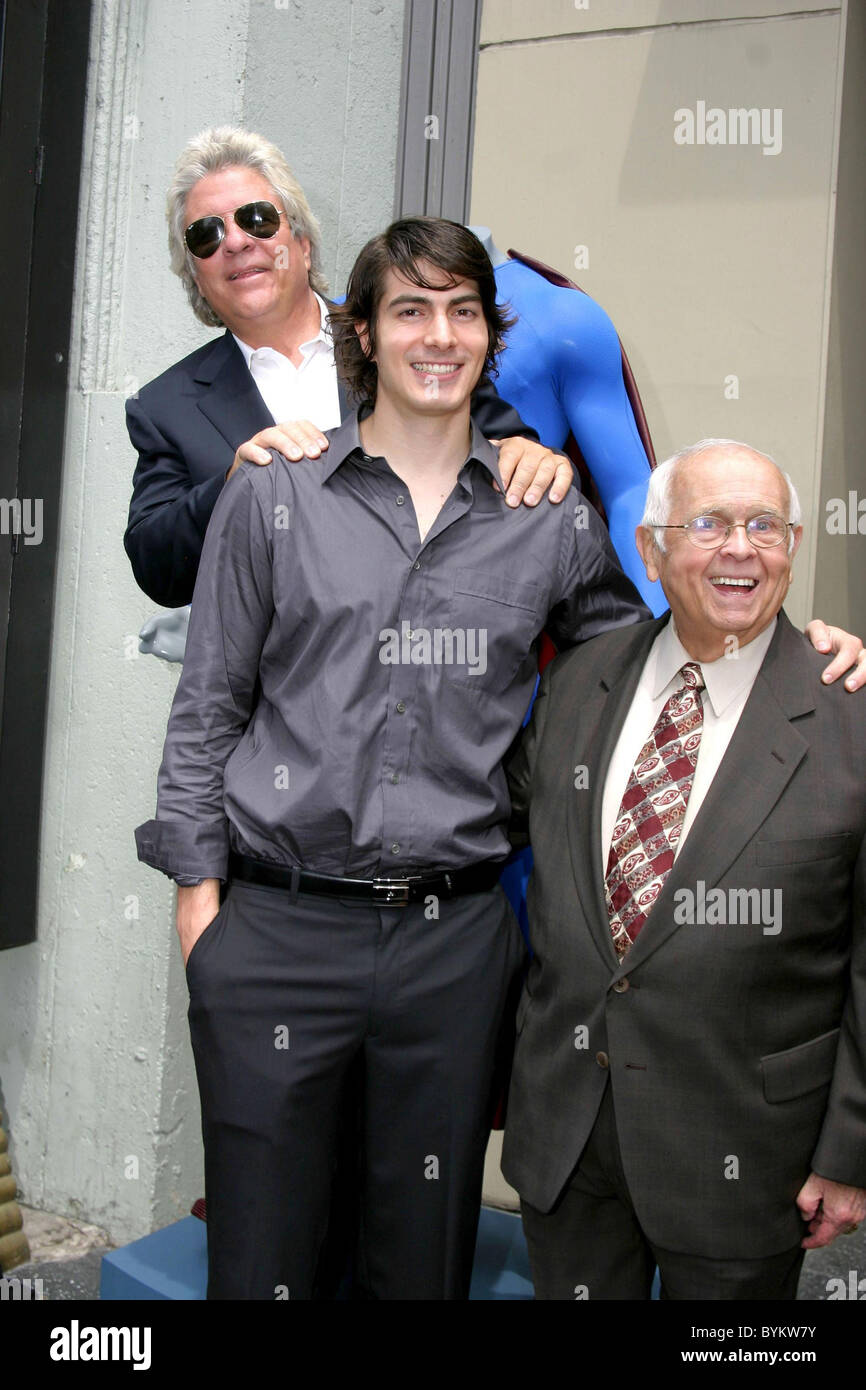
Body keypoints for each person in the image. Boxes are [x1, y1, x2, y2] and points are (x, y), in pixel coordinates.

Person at [133, 215, 653, 1299]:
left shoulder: (545, 518)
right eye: (409, 309)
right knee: (264, 1259)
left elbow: (630, 668)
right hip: (275, 925)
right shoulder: (272, 497)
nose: (438, 334)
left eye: (462, 311)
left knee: (418, 1259)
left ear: (486, 339)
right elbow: (207, 706)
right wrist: (198, 896)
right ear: (361, 332)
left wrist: (774, 651)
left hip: (452, 940)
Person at [502, 438, 866, 1300]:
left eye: (765, 526)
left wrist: (850, 1155)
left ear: (792, 548)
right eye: (709, 524)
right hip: (569, 1139)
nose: (742, 547)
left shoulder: (848, 718)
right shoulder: (579, 683)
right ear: (651, 551)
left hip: (746, 1157)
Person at [123, 126, 570, 611]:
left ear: (303, 242)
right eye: (206, 233)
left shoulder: (399, 334)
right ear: (194, 273)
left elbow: (513, 448)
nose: (234, 242)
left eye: (256, 219)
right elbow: (157, 569)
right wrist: (234, 484)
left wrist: (532, 458)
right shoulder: (166, 406)